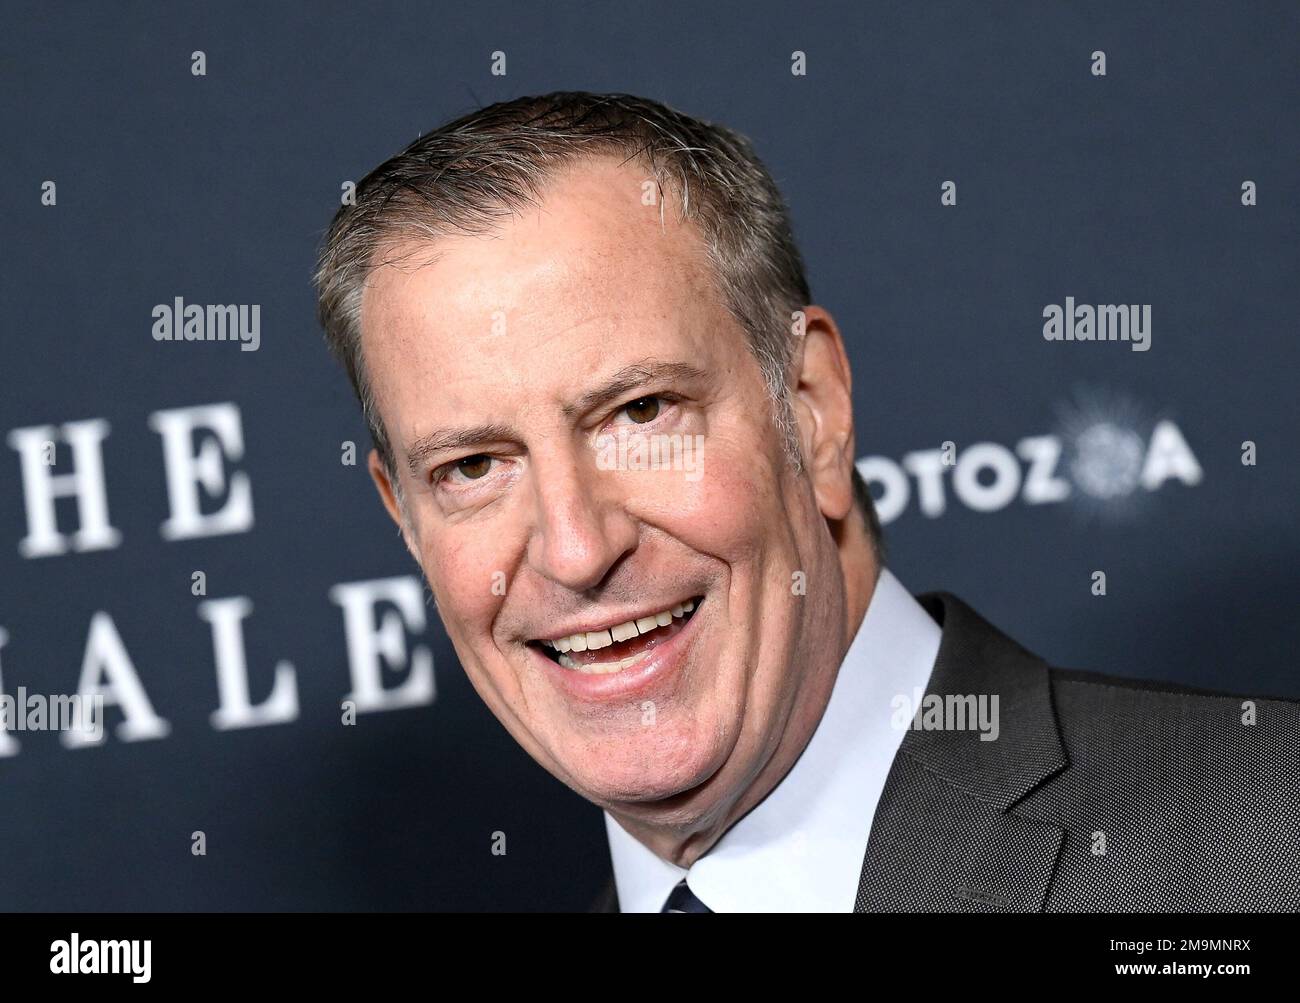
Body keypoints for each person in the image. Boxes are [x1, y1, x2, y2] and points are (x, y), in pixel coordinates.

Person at [314, 91, 1300, 912]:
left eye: (640, 410)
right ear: (403, 514)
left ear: (812, 411)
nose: (574, 549)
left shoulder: (1266, 838)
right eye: (475, 468)